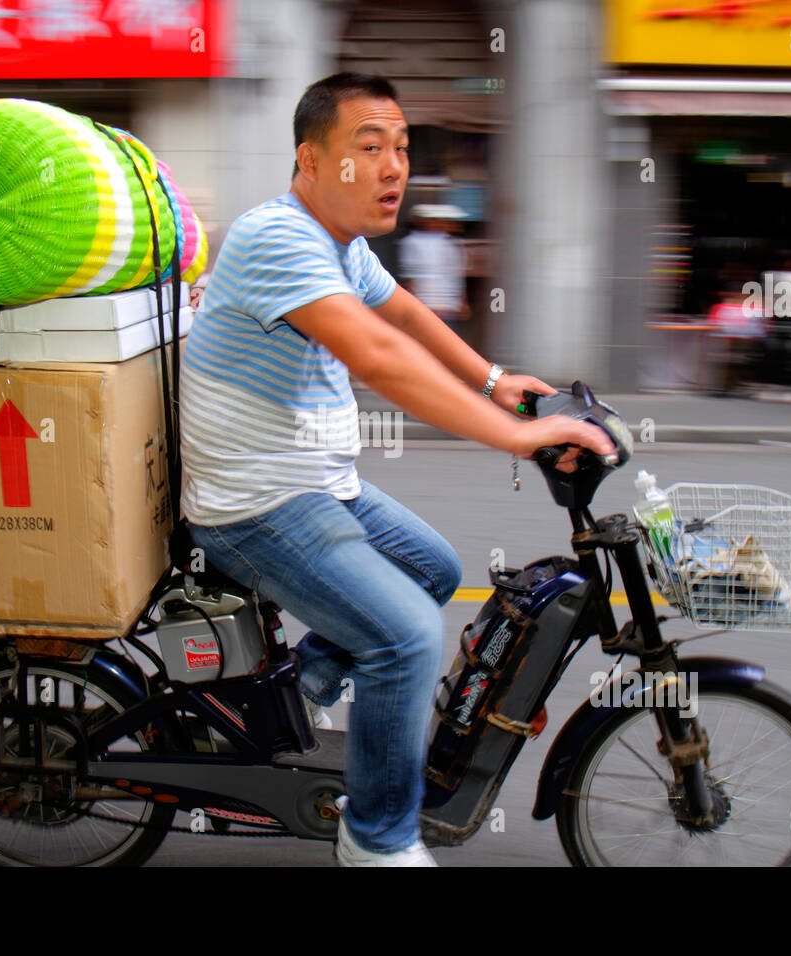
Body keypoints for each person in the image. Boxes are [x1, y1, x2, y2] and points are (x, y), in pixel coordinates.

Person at [177, 72, 614, 867]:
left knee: (434, 571)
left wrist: (491, 379)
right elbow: (379, 355)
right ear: (310, 161)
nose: (394, 167)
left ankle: (304, 681)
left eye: (402, 148)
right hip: (255, 501)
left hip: (314, 482)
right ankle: (375, 839)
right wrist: (519, 437)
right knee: (407, 640)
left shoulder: (339, 244)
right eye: (368, 148)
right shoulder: (276, 237)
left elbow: (403, 313)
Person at [398, 204, 469, 329]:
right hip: (428, 305)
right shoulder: (413, 242)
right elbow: (412, 278)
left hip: (446, 307)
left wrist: (461, 302)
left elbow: (455, 277)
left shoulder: (451, 243)